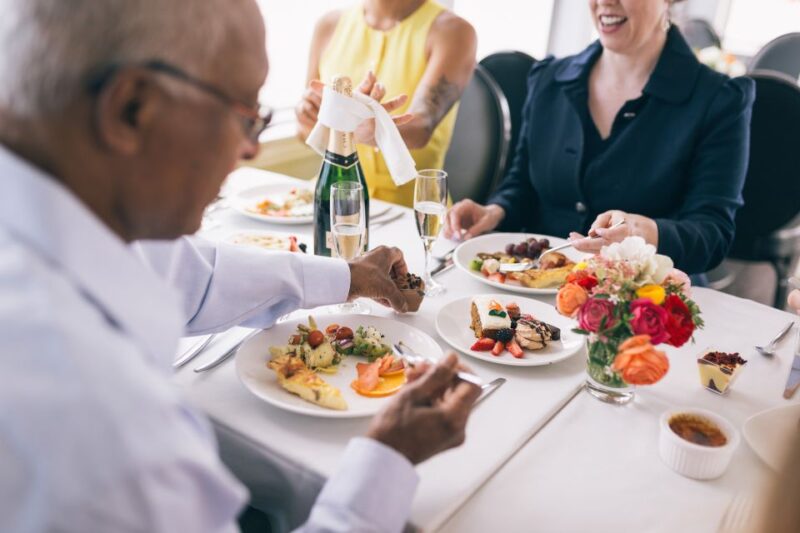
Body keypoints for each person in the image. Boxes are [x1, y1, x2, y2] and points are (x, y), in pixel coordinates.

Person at [0, 1, 481, 532]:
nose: (251, 149)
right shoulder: (94, 408)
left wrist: (350, 276)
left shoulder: (73, 220)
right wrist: (388, 459)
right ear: (132, 108)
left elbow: (190, 275)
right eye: (244, 116)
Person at [445, 0, 755, 275]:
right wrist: (496, 211)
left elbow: (712, 235)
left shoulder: (718, 100)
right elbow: (522, 184)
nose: (605, 2)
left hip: (646, 303)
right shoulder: (548, 79)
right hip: (536, 289)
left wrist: (640, 231)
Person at [296, 0, 477, 207]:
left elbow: (421, 128)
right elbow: (304, 133)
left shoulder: (453, 31)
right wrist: (306, 114)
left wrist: (373, 128)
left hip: (413, 212)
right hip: (333, 201)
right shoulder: (328, 25)